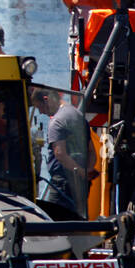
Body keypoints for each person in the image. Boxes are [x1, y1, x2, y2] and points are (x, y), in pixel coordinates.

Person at [33, 88, 97, 218]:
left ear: (46, 100)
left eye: (40, 107)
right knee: (78, 221)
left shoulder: (56, 121)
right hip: (82, 183)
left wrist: (80, 171)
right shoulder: (78, 115)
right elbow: (91, 150)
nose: (41, 112)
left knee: (51, 222)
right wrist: (87, 170)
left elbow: (60, 153)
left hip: (63, 183)